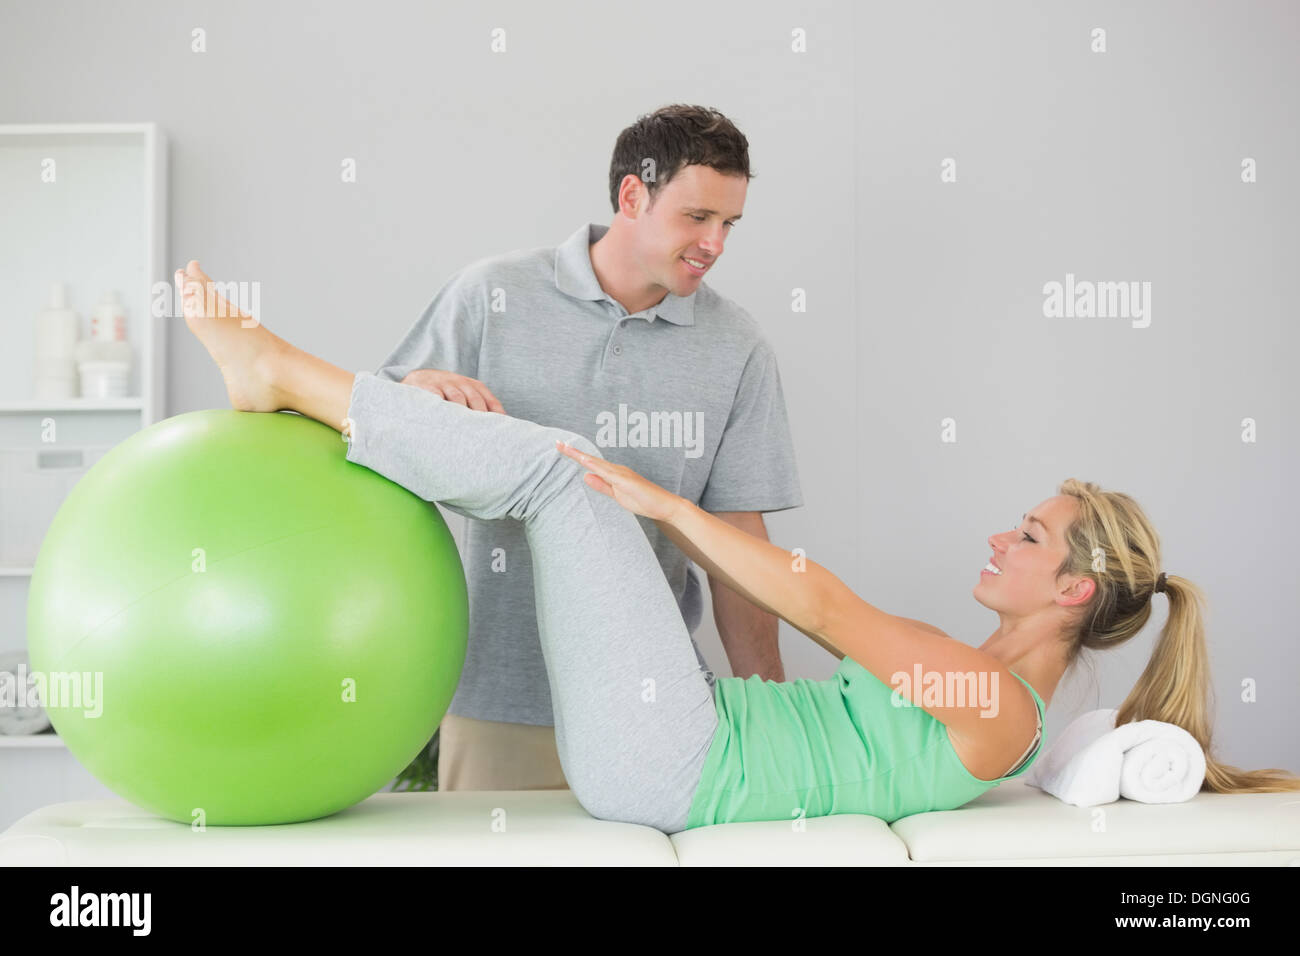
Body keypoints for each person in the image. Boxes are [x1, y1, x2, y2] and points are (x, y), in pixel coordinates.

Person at [174, 261, 1300, 833]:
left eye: (1032, 533)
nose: (1002, 535)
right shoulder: (979, 678)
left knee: (563, 473)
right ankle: (303, 381)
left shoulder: (998, 707)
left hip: (679, 761)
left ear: (1075, 589)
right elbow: (803, 602)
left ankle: (280, 371)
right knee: (571, 474)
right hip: (688, 733)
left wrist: (667, 508)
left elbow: (825, 605)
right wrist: (667, 518)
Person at [370, 104, 802, 790]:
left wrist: (773, 713)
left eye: (729, 223)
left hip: (657, 713)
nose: (715, 243)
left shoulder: (736, 346)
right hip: (500, 702)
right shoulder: (492, 295)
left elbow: (738, 545)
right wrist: (418, 387)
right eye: (697, 217)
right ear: (633, 195)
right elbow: (374, 427)